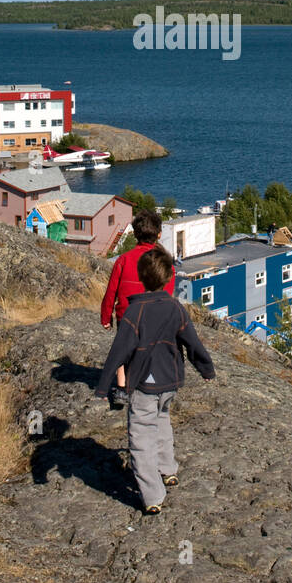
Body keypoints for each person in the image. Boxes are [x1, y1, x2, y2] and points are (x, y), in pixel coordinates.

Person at [95, 244, 215, 514]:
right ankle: (168, 469)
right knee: (162, 422)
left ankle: (152, 495)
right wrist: (206, 369)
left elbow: (118, 352)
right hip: (170, 382)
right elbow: (192, 342)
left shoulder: (134, 313)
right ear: (168, 276)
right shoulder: (176, 308)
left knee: (141, 438)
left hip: (143, 386)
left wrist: (104, 386)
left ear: (141, 276)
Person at [100, 208, 175, 406]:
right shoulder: (165, 263)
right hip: (154, 316)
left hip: (126, 314)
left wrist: (106, 317)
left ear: (135, 233)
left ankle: (122, 389)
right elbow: (168, 293)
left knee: (124, 350)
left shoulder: (123, 260)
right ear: (159, 234)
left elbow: (111, 292)